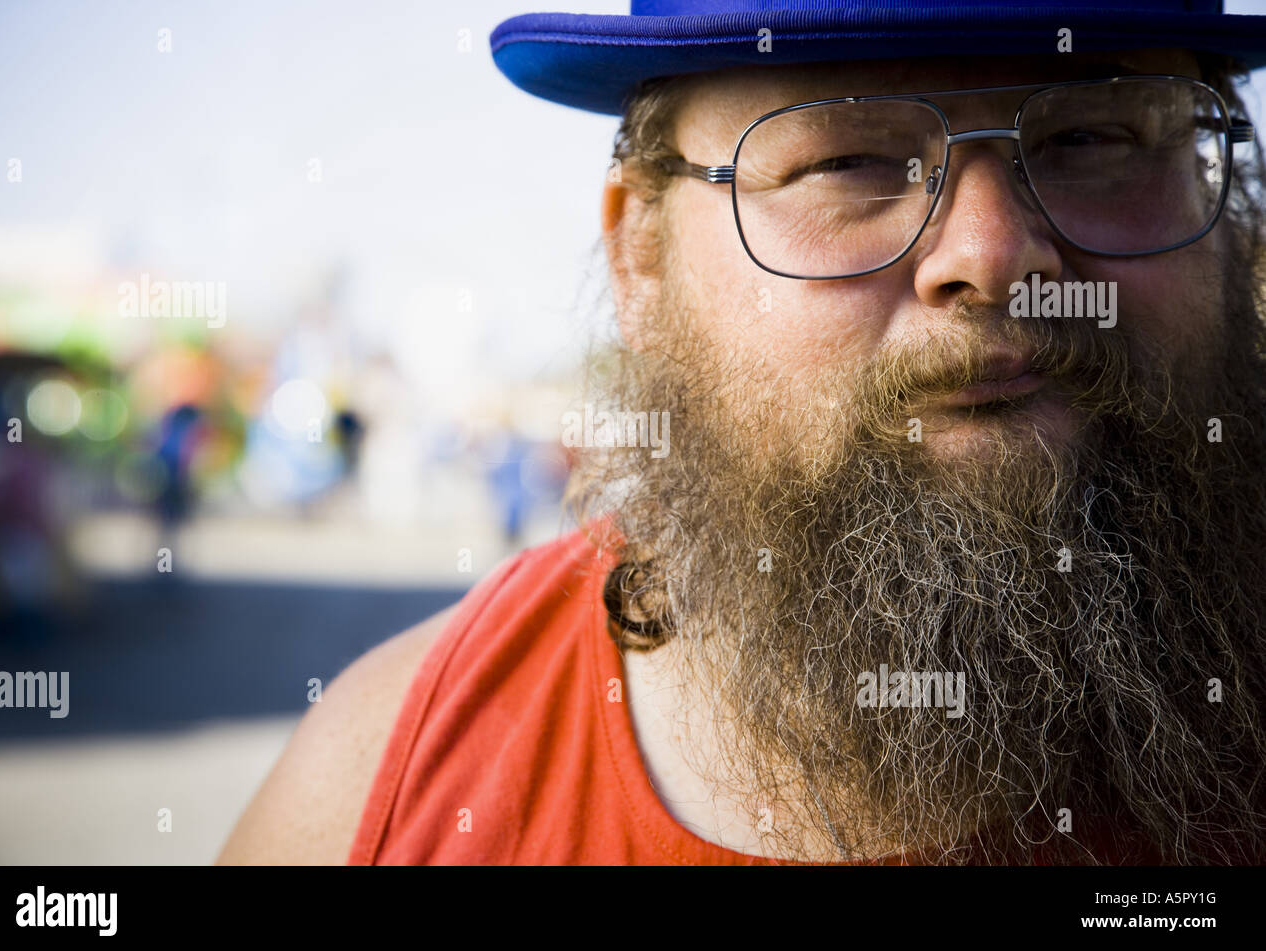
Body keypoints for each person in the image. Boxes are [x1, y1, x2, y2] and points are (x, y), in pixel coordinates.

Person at [218, 0, 1266, 865]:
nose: (992, 257)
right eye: (848, 160)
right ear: (641, 259)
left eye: (1095, 140)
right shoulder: (386, 784)